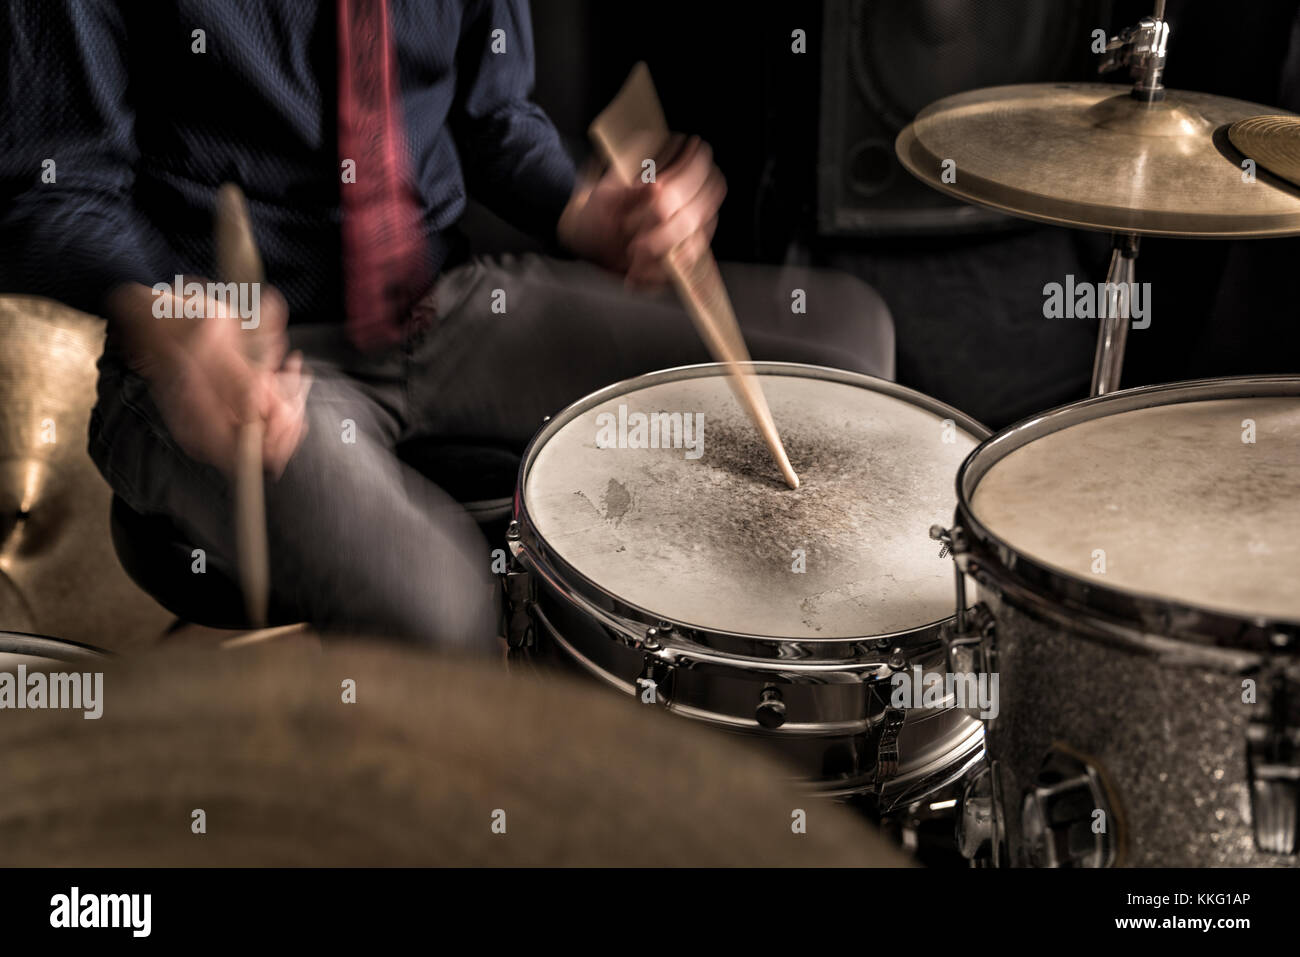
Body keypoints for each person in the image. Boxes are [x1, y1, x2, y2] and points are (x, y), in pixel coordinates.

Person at [0, 0, 894, 650]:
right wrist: (162, 311)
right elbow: (55, 190)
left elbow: (491, 116)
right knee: (446, 604)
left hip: (440, 303)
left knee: (847, 355)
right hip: (222, 362)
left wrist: (588, 212)